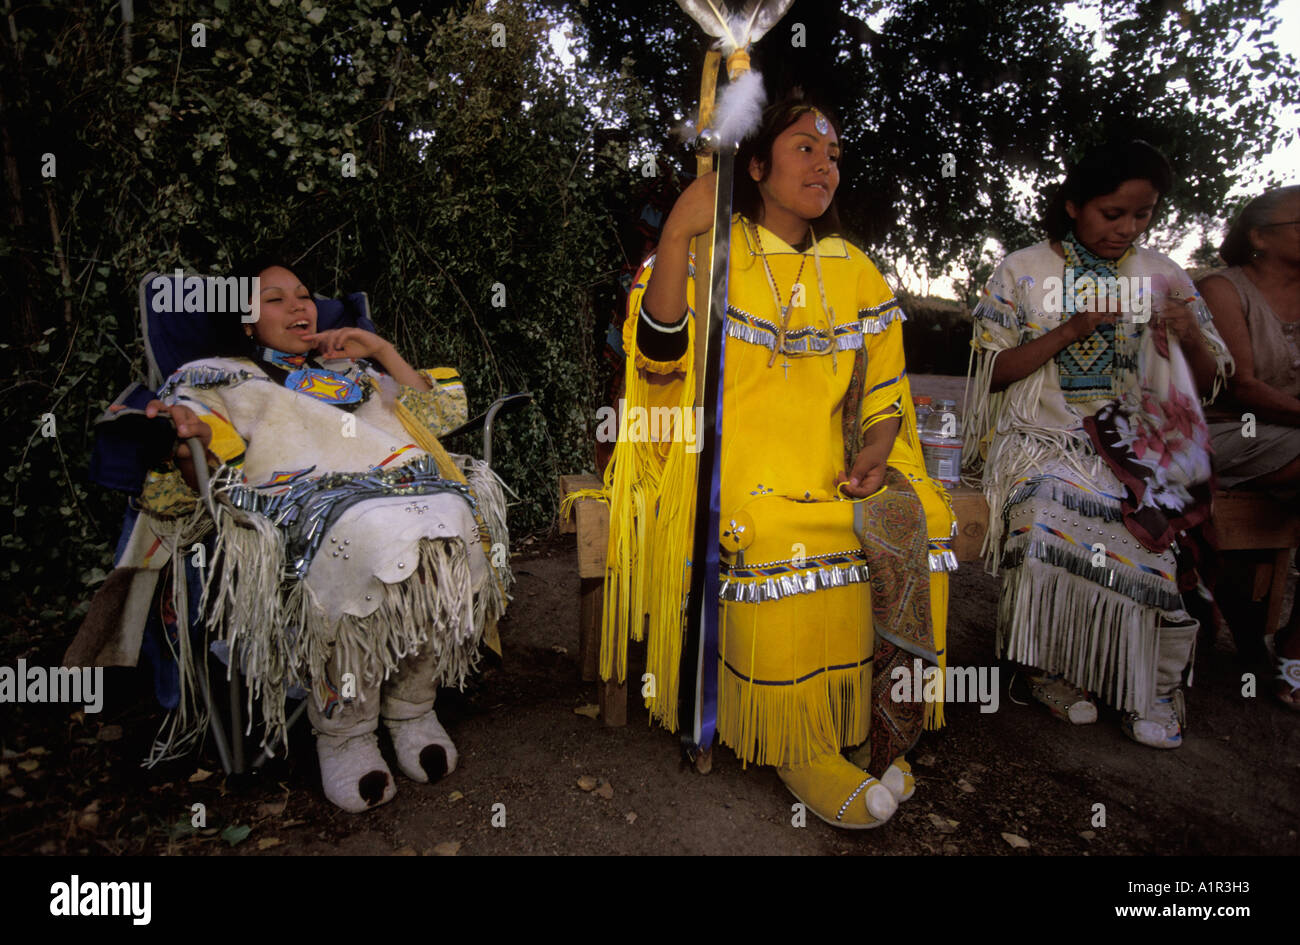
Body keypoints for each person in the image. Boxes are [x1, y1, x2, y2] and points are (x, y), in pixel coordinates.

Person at [600, 93, 955, 828]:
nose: (824, 163)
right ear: (754, 165)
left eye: (834, 155)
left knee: (928, 516)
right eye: (804, 148)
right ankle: (803, 741)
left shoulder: (855, 269)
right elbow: (658, 354)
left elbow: (886, 388)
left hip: (826, 468)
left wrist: (876, 449)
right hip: (731, 467)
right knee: (772, 532)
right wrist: (675, 236)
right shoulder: (711, 246)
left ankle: (867, 717)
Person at [138, 261, 510, 811]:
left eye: (304, 295)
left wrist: (378, 350)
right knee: (367, 538)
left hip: (398, 485)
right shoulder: (216, 375)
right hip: (303, 500)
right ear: (244, 321)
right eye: (275, 299)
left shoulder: (346, 370)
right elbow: (205, 472)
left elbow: (432, 417)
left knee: (453, 521)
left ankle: (412, 710)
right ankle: (346, 736)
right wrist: (185, 439)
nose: (298, 306)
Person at [963, 140, 1233, 749]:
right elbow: (993, 374)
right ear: (1073, 206)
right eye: (1113, 214)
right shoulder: (1024, 270)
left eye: (1142, 216)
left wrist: (1187, 335)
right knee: (1047, 512)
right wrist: (1073, 327)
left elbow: (1208, 378)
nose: (1128, 229)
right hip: (1042, 437)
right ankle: (1050, 667)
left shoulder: (1162, 274)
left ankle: (1151, 683)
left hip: (1140, 442)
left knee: (1156, 530)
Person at [1197, 185, 1300, 708]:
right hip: (1220, 432)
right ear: (1259, 236)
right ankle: (1287, 643)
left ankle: (1286, 637)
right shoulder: (1223, 289)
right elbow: (1242, 387)